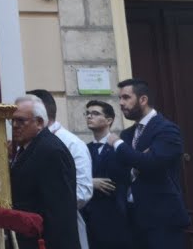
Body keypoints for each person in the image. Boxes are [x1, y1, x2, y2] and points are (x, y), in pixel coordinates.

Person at [105, 78, 189, 249]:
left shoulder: (167, 129)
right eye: (120, 98)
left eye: (126, 98)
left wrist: (117, 144)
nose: (121, 103)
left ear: (143, 100)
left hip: (162, 219)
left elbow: (151, 163)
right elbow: (118, 169)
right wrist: (137, 160)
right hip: (132, 217)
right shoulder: (128, 133)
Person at [9, 95, 82, 249]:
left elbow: (58, 211)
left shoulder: (50, 151)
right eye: (12, 120)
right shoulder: (26, 148)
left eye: (21, 121)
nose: (14, 126)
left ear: (39, 123)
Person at [29, 89, 93, 249]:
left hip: (63, 227)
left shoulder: (72, 144)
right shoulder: (28, 143)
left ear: (40, 114)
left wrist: (45, 205)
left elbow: (84, 192)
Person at [83, 100, 130, 249]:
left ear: (109, 120)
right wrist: (91, 182)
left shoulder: (120, 147)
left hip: (115, 215)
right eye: (88, 113)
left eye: (95, 113)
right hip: (90, 216)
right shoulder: (85, 148)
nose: (90, 116)